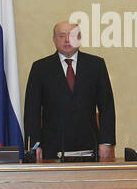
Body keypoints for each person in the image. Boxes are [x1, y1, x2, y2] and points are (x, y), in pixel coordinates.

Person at [24, 21, 116, 161]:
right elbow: (32, 111)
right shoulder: (40, 68)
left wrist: (106, 142)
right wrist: (34, 146)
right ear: (54, 39)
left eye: (72, 36)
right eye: (61, 36)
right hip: (52, 147)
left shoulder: (96, 65)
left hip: (89, 146)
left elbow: (107, 107)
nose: (67, 40)